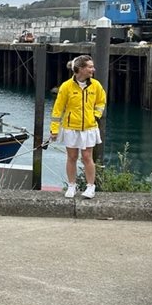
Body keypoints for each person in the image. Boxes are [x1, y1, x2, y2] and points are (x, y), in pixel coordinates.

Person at [50, 55, 107, 199]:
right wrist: (54, 129)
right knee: (72, 156)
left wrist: (96, 115)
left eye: (92, 66)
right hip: (70, 127)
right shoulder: (66, 86)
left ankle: (90, 187)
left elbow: (101, 101)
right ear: (80, 69)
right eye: (90, 67)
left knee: (87, 157)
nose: (93, 69)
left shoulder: (96, 85)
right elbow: (58, 109)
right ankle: (71, 186)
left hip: (89, 127)